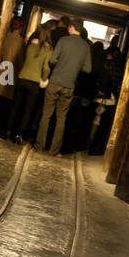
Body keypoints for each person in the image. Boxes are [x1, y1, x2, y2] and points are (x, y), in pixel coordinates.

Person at [34, 17, 93, 156]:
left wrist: (60, 66)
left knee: (46, 115)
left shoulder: (63, 41)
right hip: (69, 85)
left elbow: (52, 60)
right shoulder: (85, 46)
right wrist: (74, 68)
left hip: (55, 82)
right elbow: (88, 69)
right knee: (61, 119)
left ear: (72, 27)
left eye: (68, 27)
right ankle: (54, 150)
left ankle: (39, 145)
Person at [6, 27, 51, 144]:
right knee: (27, 111)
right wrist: (44, 80)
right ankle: (19, 135)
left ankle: (8, 130)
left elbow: (22, 61)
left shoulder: (29, 46)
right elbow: (46, 68)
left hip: (22, 78)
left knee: (15, 106)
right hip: (34, 83)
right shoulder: (48, 49)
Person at [0, 17, 26, 137]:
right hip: (10, 70)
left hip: (2, 67)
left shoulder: (6, 37)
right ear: (21, 26)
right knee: (4, 100)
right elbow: (20, 61)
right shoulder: (20, 41)